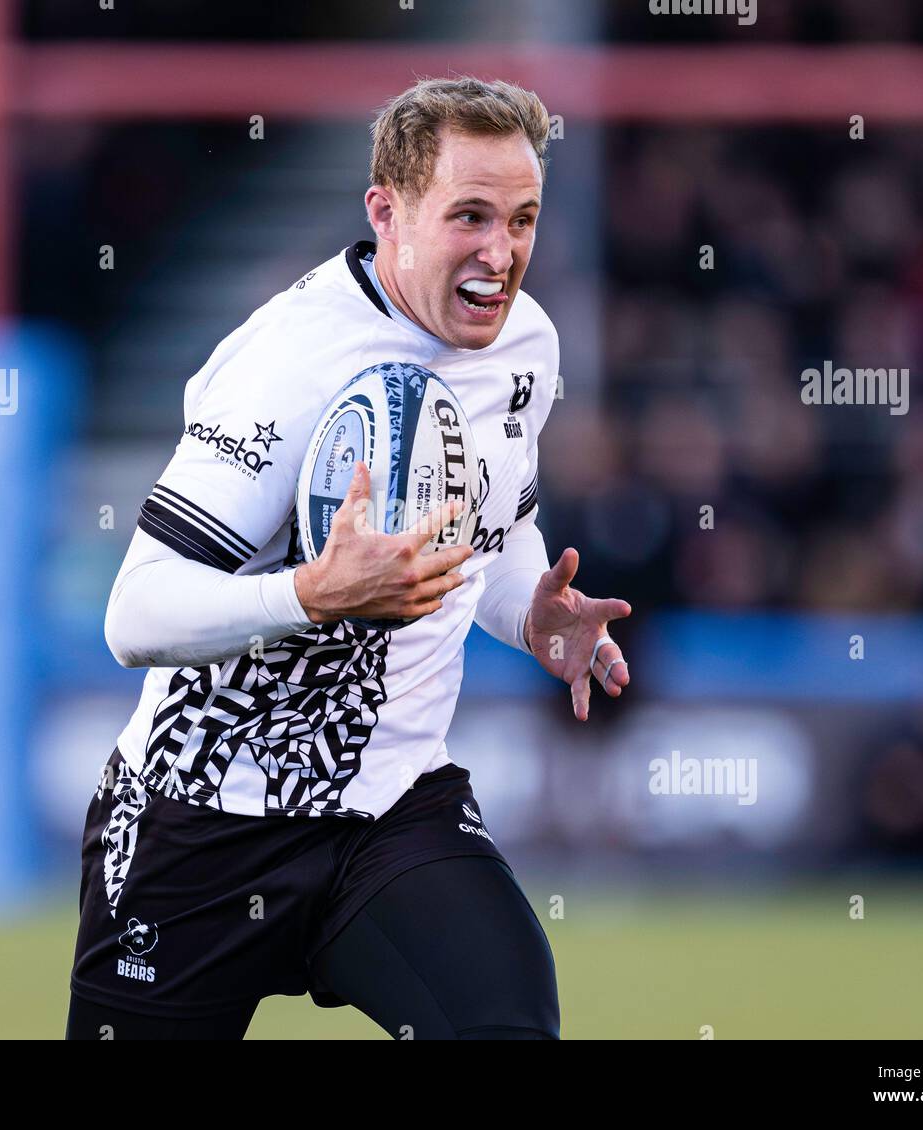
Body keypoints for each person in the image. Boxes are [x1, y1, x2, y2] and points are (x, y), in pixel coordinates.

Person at [66, 76, 632, 1040]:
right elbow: (136, 614)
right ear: (387, 212)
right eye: (470, 217)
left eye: (524, 219)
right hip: (202, 822)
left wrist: (526, 614)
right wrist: (310, 593)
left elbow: (491, 538)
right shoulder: (284, 366)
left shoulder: (526, 345)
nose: (502, 254)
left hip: (391, 810)